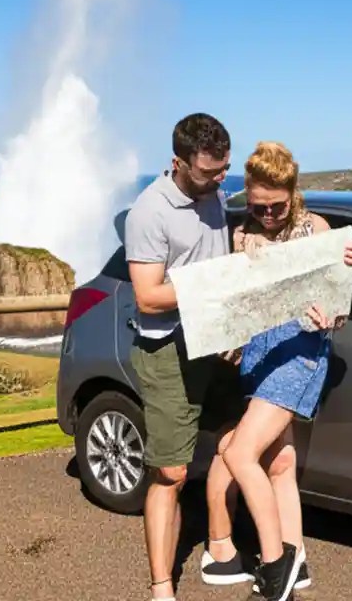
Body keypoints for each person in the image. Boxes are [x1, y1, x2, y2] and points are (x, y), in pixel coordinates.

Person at [216, 141, 352, 601]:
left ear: (292, 193)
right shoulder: (242, 233)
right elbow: (239, 300)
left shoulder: (315, 228)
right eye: (258, 206)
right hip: (259, 352)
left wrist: (340, 289)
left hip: (299, 353)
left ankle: (277, 563)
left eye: (276, 205)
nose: (267, 214)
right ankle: (297, 561)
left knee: (240, 455)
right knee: (279, 463)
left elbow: (337, 312)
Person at [124, 112, 255, 601]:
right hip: (166, 351)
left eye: (225, 169)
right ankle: (162, 587)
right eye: (209, 172)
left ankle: (219, 546)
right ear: (178, 162)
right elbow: (147, 296)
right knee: (171, 472)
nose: (221, 180)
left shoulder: (215, 193)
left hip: (215, 343)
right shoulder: (149, 213)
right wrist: (210, 286)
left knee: (235, 444)